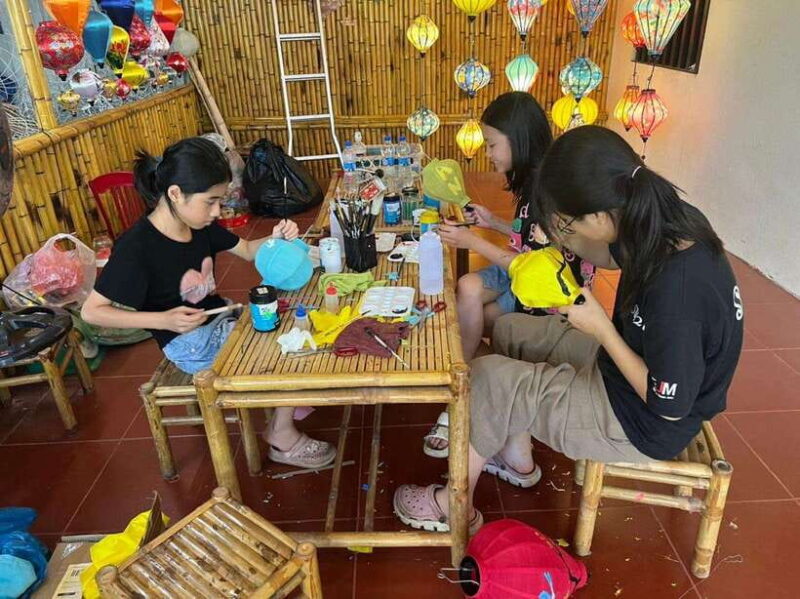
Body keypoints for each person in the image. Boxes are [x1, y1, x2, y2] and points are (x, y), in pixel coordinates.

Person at [394, 126, 744, 536]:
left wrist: (600, 326)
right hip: (627, 371)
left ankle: (453, 507)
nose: (565, 239)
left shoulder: (679, 292)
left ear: (597, 215)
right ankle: (516, 460)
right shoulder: (657, 216)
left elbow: (671, 404)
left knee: (489, 378)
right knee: (510, 329)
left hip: (642, 421)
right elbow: (608, 258)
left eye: (565, 225)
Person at [81, 137, 336, 469]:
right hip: (187, 343)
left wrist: (275, 237)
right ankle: (281, 433)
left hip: (220, 319)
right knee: (287, 349)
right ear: (175, 193)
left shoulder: (197, 223)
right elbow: (92, 312)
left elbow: (245, 250)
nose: (218, 211)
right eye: (211, 201)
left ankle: (282, 400)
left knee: (297, 329)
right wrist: (164, 321)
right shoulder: (138, 246)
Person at [422, 92, 594, 458]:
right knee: (468, 291)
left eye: (492, 144)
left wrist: (470, 239)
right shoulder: (537, 176)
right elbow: (529, 238)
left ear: (518, 138)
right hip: (526, 268)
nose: (488, 153)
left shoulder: (546, 187)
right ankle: (466, 384)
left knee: (474, 313)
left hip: (548, 294)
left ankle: (466, 389)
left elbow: (531, 268)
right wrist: (494, 221)